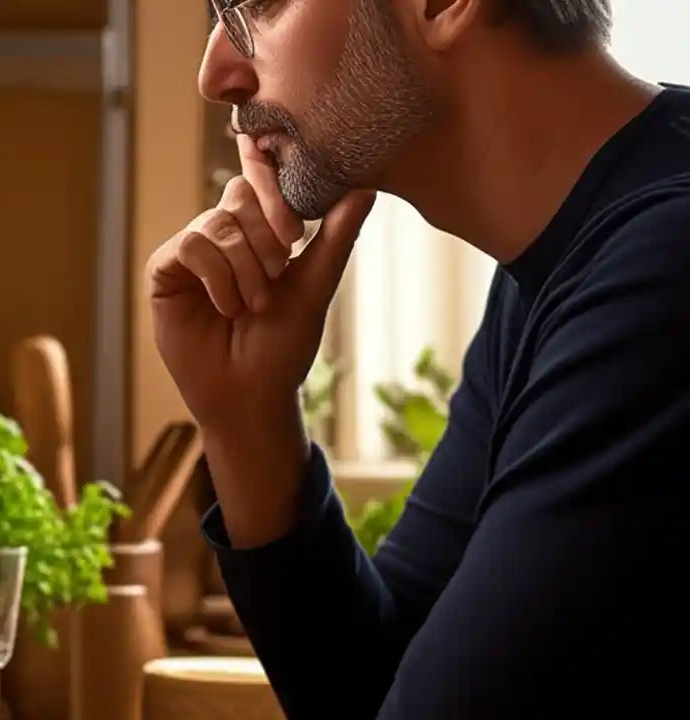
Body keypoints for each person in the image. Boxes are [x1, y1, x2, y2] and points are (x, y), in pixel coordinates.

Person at [147, 0, 690, 717]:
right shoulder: (567, 263)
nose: (216, 74)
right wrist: (249, 421)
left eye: (260, 6)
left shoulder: (664, 272)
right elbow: (374, 680)